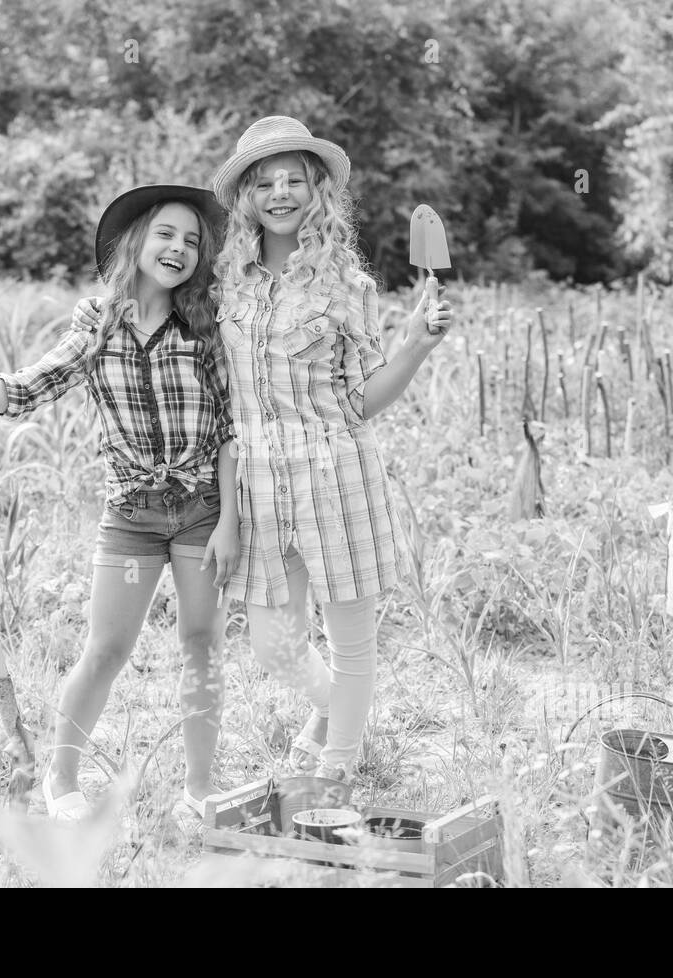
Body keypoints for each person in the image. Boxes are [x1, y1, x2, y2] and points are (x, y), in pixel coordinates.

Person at [75, 117, 455, 786]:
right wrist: (105, 310)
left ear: (317, 193)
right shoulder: (228, 290)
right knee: (275, 642)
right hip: (254, 483)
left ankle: (339, 768)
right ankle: (341, 721)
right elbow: (175, 341)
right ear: (247, 198)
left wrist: (418, 344)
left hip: (336, 474)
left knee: (349, 639)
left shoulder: (349, 289)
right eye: (265, 183)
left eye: (295, 182)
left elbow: (363, 399)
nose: (281, 194)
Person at [0, 185, 238, 819]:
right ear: (136, 241)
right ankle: (61, 778)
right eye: (166, 233)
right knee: (106, 649)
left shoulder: (207, 324)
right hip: (132, 516)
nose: (178, 248)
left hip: (203, 512)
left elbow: (231, 431)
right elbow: (26, 390)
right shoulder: (96, 323)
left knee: (200, 644)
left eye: (191, 241)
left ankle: (199, 788)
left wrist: (232, 525)